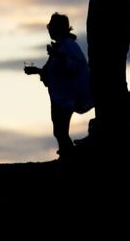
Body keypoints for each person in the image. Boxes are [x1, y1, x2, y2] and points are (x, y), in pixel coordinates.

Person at [67, 0, 130, 140]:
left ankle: (118, 130)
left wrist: (129, 35)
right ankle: (104, 130)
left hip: (113, 48)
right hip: (96, 49)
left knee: (114, 86)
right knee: (99, 88)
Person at [25, 13, 93, 155]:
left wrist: (59, 57)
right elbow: (50, 72)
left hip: (67, 96)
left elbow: (75, 66)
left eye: (52, 26)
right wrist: (36, 71)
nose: (49, 29)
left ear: (60, 29)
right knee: (59, 131)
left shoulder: (69, 46)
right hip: (60, 97)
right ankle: (67, 155)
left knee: (60, 131)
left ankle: (69, 158)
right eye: (49, 26)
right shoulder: (60, 47)